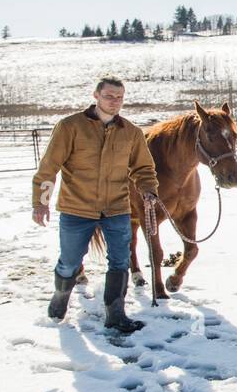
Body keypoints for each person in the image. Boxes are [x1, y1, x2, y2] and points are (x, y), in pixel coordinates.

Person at [33, 76, 160, 333]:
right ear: (96, 95)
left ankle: (116, 314)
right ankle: (59, 301)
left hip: (116, 208)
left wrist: (149, 190)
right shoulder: (70, 127)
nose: (115, 102)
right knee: (69, 262)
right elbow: (49, 167)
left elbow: (144, 168)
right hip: (76, 208)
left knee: (120, 261)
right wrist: (41, 202)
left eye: (120, 97)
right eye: (109, 96)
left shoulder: (131, 133)